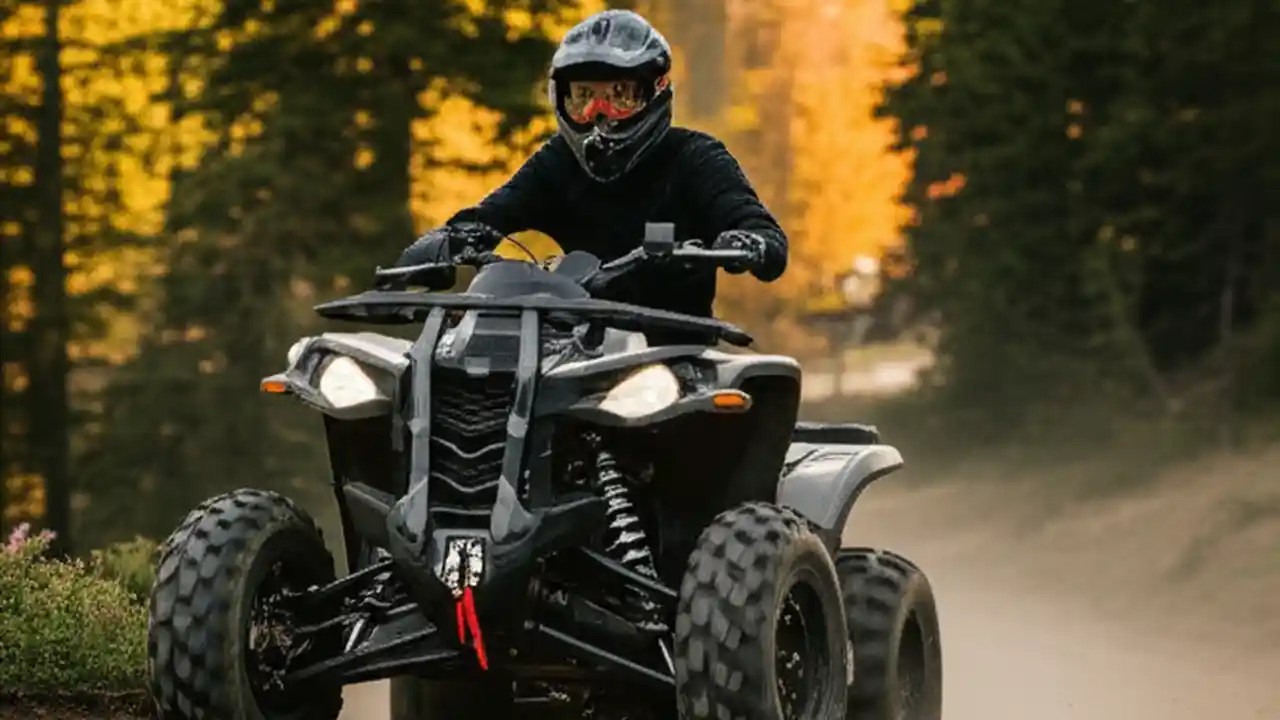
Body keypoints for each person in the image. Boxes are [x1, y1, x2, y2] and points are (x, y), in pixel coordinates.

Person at [393, 8, 788, 320]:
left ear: (655, 93)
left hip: (675, 355)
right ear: (560, 98)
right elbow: (494, 212)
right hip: (573, 350)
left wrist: (746, 242)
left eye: (619, 96)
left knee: (745, 399)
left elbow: (759, 229)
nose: (599, 113)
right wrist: (453, 240)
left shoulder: (696, 157)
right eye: (583, 97)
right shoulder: (557, 162)